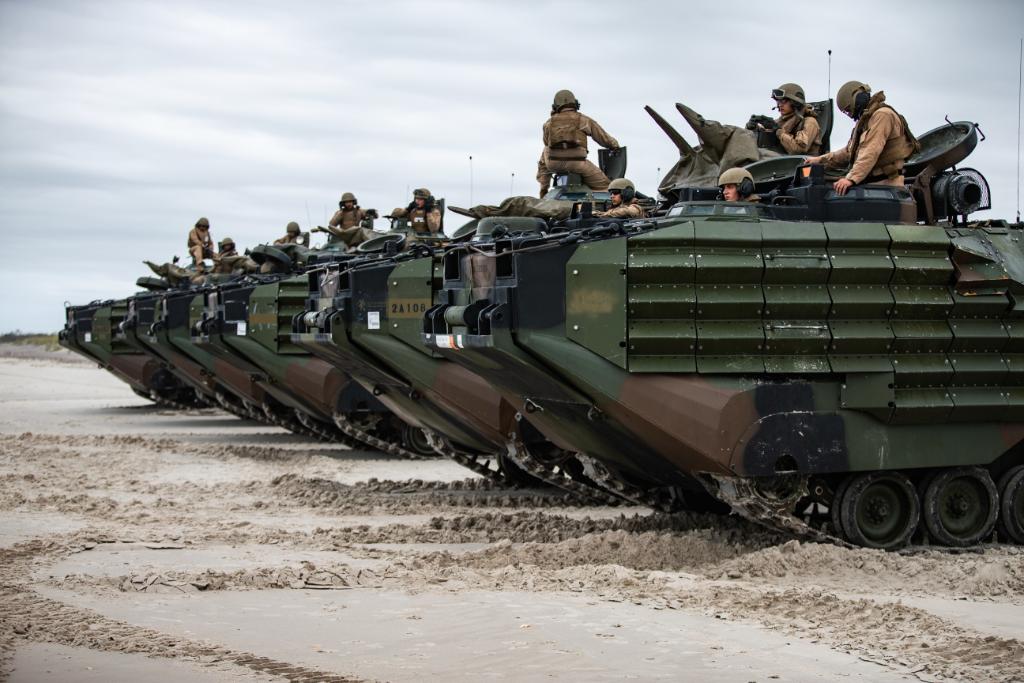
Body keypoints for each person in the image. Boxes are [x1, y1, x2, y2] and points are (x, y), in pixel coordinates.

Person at [804, 80, 918, 196]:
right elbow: (848, 152)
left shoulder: (882, 115)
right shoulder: (865, 122)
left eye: (848, 110)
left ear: (857, 98)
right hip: (872, 186)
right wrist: (820, 160)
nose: (849, 114)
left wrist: (851, 179)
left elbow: (870, 151)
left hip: (886, 188)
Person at [536, 89, 621, 198]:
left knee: (545, 151)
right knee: (607, 187)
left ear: (556, 106)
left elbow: (546, 142)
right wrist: (614, 146)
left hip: (553, 164)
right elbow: (603, 138)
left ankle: (543, 190)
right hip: (578, 164)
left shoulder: (548, 123)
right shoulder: (583, 120)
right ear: (575, 103)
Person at [764, 83, 821, 155]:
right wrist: (756, 128)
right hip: (781, 160)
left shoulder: (809, 122)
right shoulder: (780, 122)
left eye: (784, 101)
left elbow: (798, 150)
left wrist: (779, 133)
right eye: (778, 101)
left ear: (795, 103)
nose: (780, 105)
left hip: (802, 163)